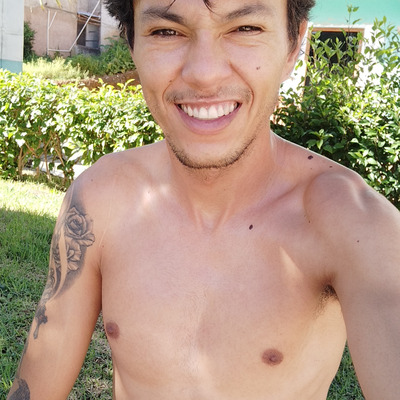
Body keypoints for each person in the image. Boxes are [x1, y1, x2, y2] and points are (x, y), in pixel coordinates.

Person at [8, 0, 400, 399]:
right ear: (132, 45)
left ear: (292, 46)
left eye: (245, 28)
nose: (204, 73)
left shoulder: (356, 226)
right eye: (166, 32)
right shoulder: (97, 199)